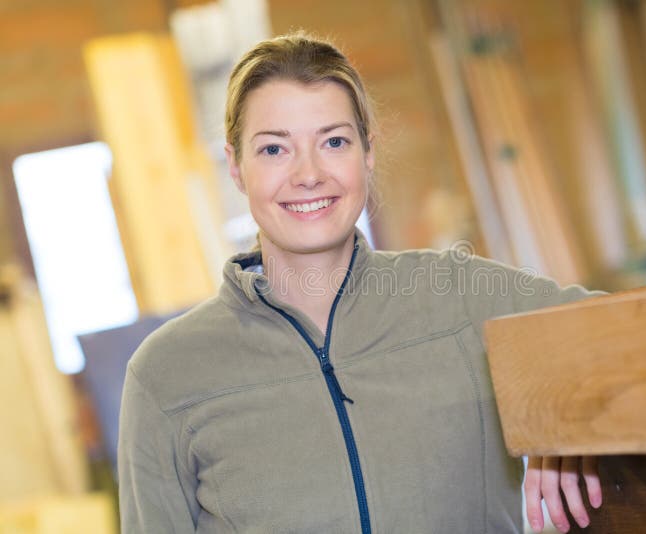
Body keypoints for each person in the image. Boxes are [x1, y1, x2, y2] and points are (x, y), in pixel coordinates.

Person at [117, 32, 603, 534]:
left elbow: (641, 340)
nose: (308, 174)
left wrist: (573, 422)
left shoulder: (462, 296)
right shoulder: (166, 377)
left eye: (333, 142)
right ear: (237, 167)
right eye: (274, 149)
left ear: (367, 152)